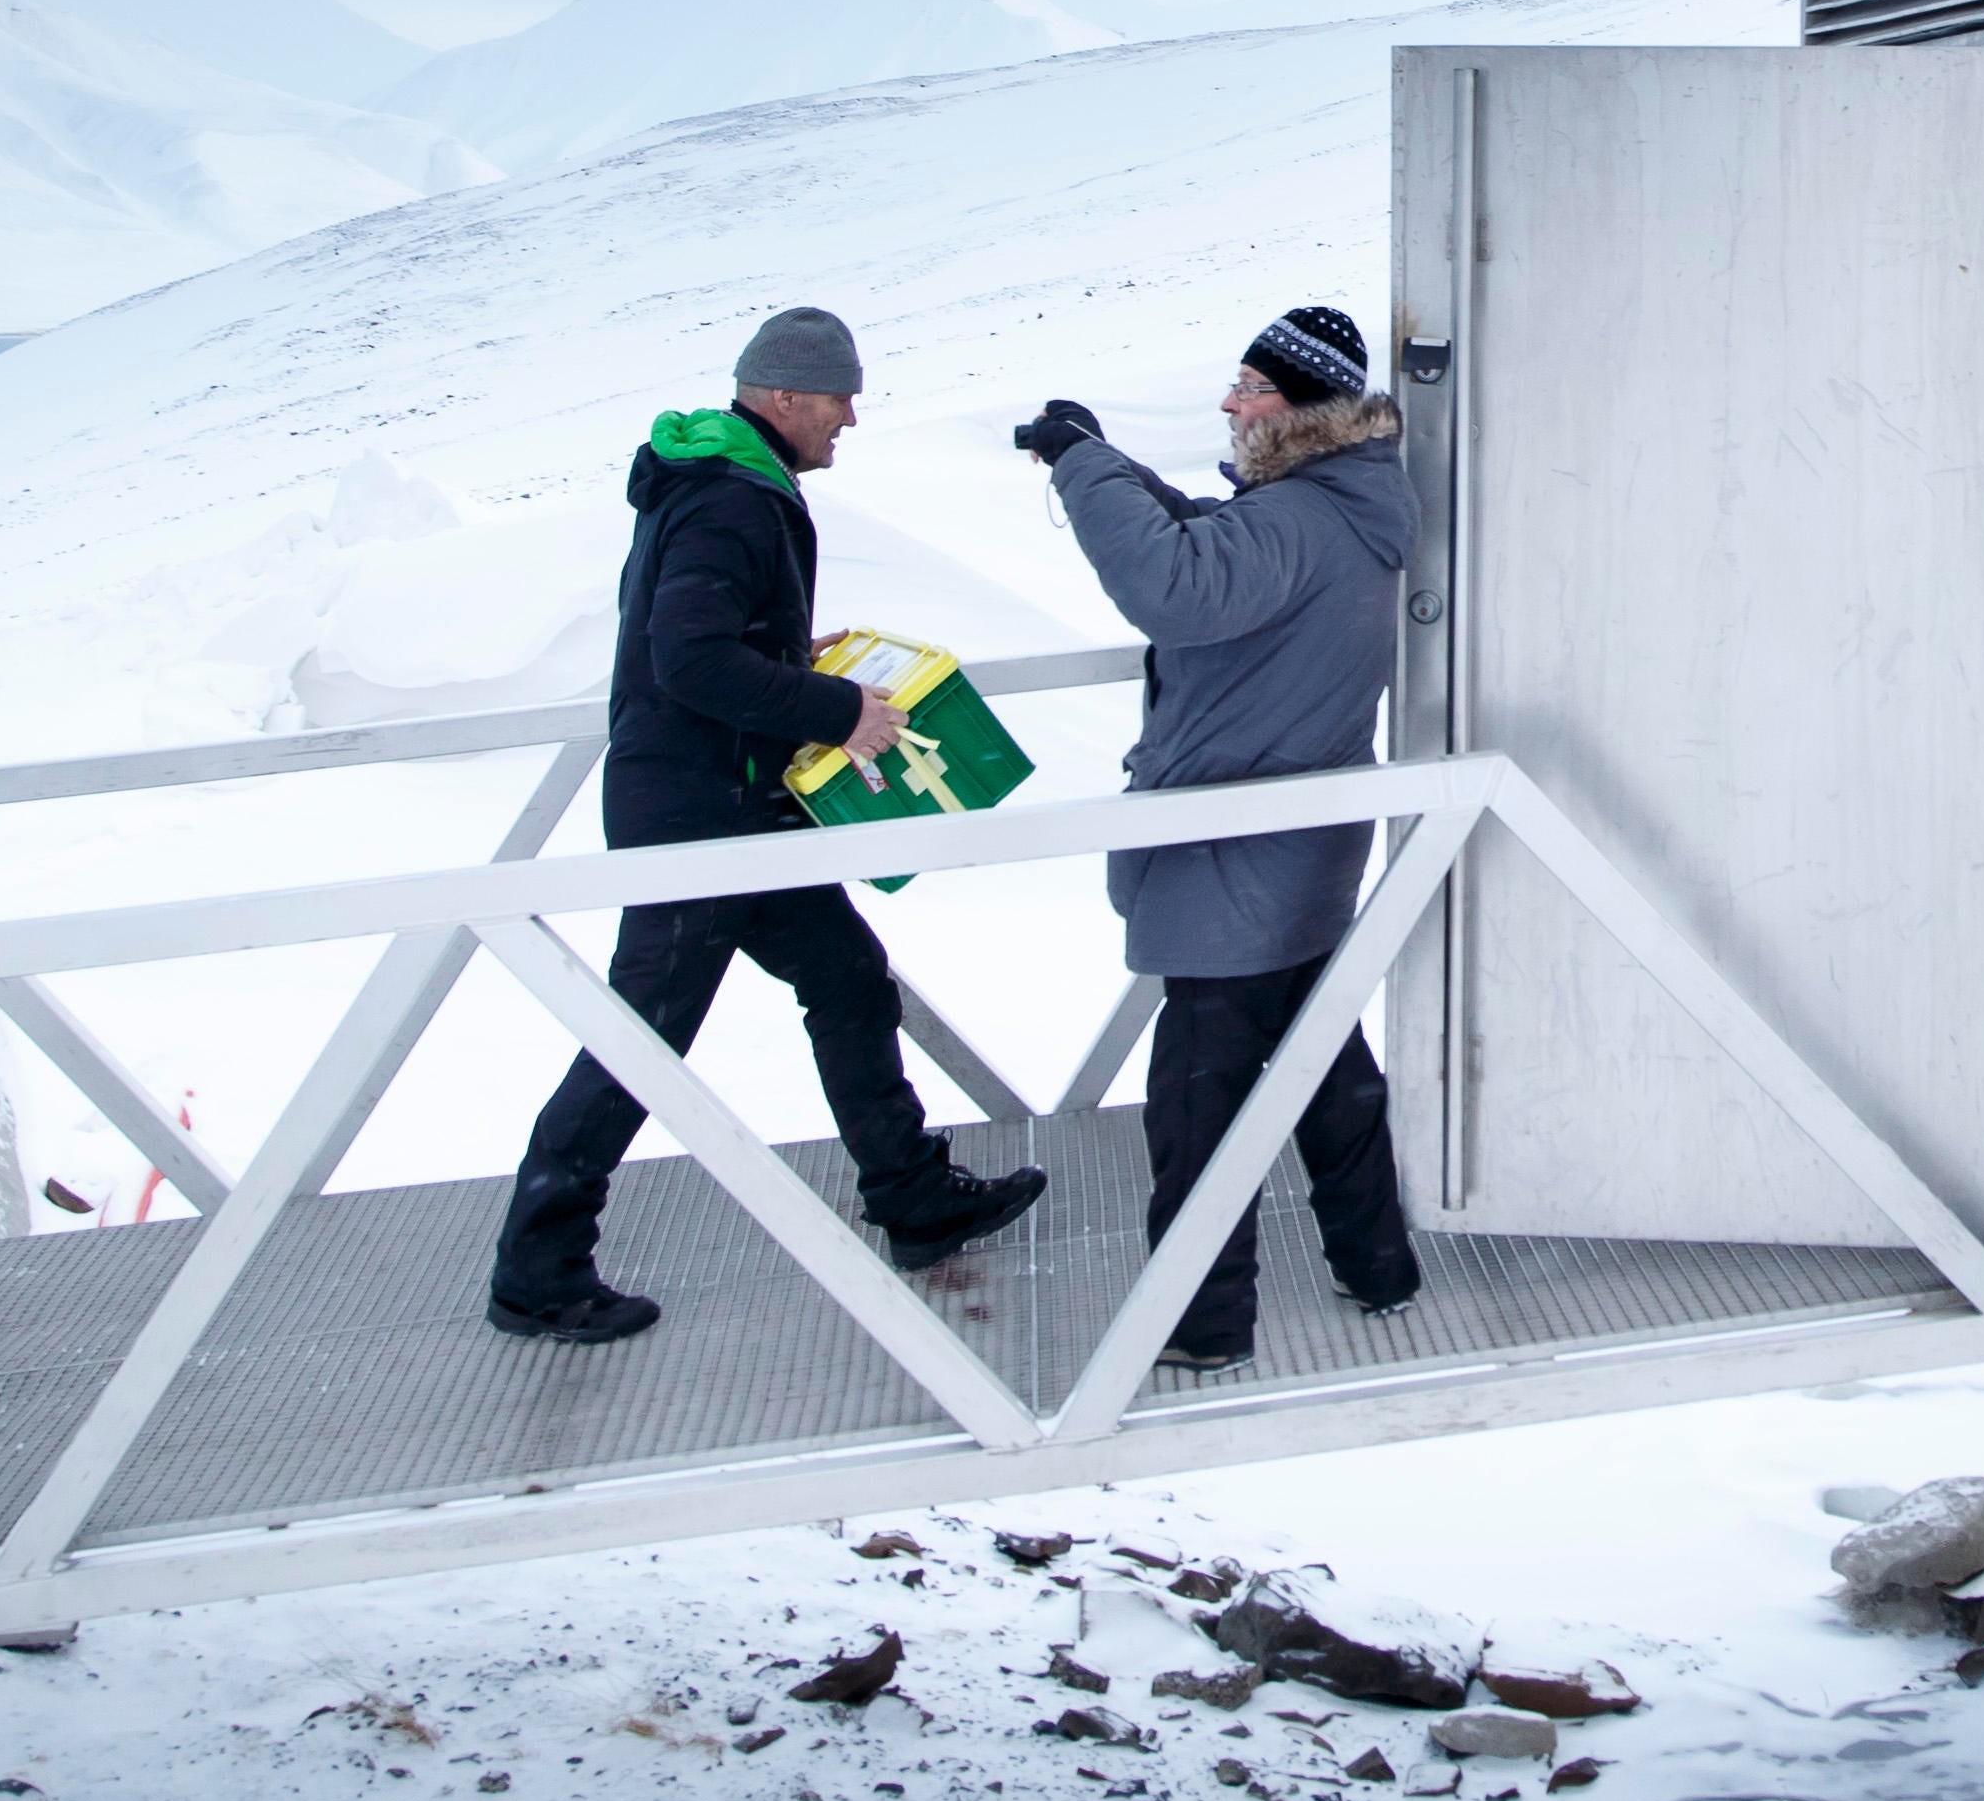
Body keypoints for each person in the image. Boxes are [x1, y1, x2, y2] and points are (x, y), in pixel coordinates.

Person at [488, 305, 1047, 1343]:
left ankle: (914, 1197)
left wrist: (790, 648)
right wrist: (838, 708)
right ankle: (537, 1269)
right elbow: (687, 660)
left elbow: (705, 635)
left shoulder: (720, 480)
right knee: (642, 1036)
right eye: (839, 396)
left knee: (846, 977)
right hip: (697, 816)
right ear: (783, 395)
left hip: (734, 799)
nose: (849, 417)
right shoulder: (729, 501)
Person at [1024, 306, 1420, 1372]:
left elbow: (1175, 585)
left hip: (1230, 848)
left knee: (1200, 1100)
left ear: (1299, 409)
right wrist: (1120, 467)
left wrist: (1081, 468)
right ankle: (1377, 1262)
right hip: (1296, 841)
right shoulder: (1340, 504)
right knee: (1319, 1057)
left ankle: (1201, 1323)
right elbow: (1216, 540)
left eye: (1250, 384)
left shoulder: (1292, 520)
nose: (1231, 401)